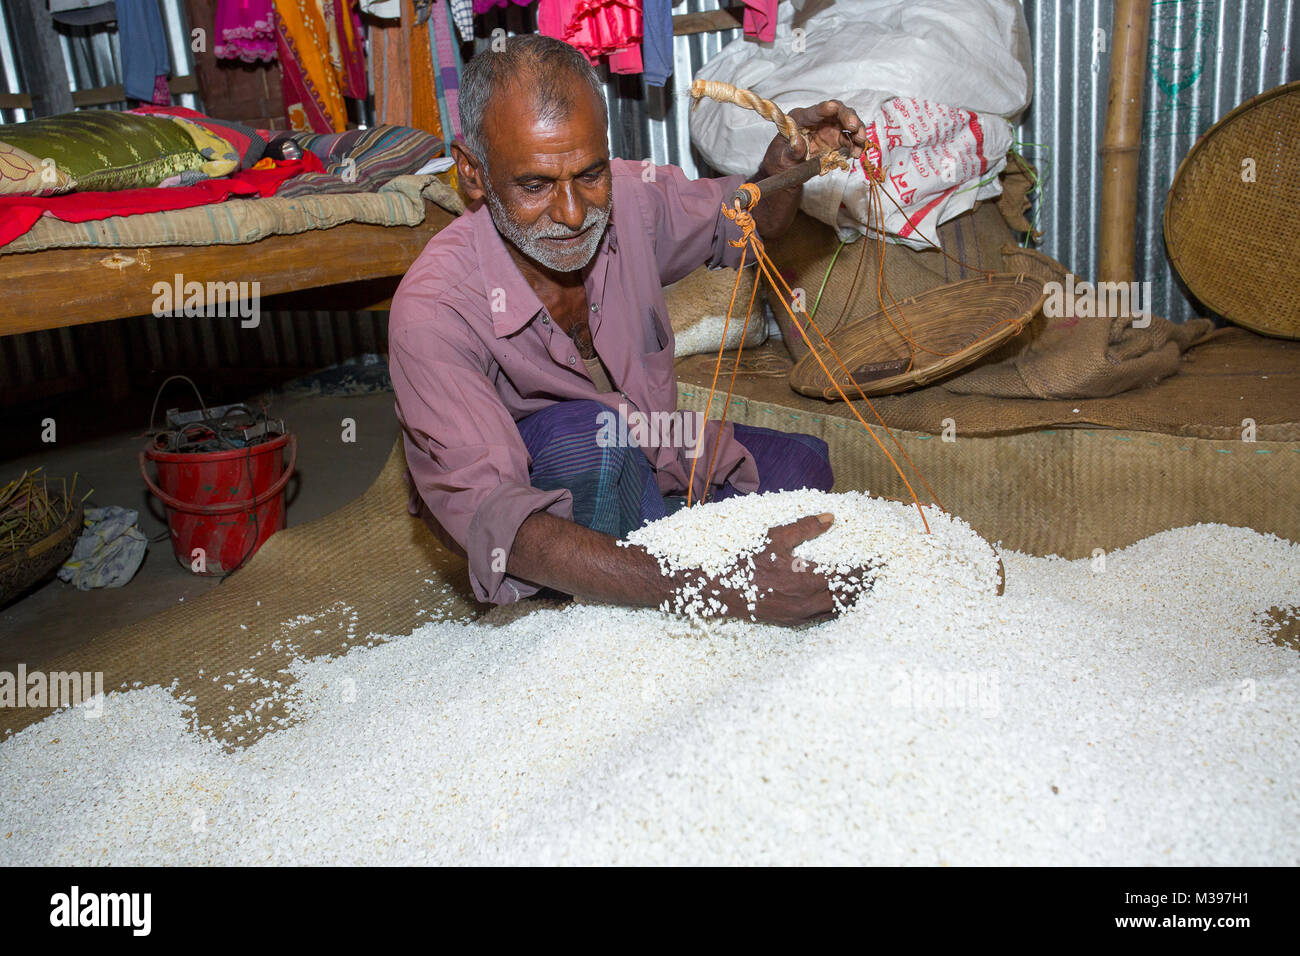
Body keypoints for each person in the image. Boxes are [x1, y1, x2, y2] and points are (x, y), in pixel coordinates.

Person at [389, 34, 870, 626]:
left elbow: (749, 222)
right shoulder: (434, 308)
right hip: (549, 496)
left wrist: (781, 172)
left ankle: (659, 554)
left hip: (646, 439)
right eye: (535, 185)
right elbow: (499, 521)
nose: (571, 214)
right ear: (473, 174)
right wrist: (721, 590)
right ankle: (651, 598)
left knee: (801, 470)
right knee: (596, 438)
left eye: (589, 175)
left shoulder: (628, 199)